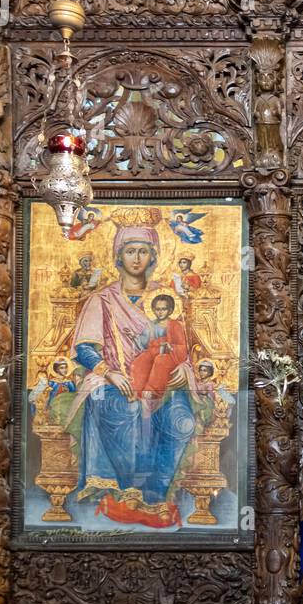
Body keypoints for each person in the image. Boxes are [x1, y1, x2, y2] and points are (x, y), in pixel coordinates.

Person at [68, 219, 198, 528]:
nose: (137, 258)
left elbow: (184, 345)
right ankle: (127, 491)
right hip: (115, 379)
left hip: (161, 380)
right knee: (122, 409)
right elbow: (85, 349)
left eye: (143, 251)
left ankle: (156, 495)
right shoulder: (102, 300)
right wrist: (110, 373)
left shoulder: (167, 300)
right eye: (130, 251)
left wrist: (183, 370)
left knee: (180, 420)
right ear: (118, 256)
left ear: (153, 256)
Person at [129, 294, 189, 412]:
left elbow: (182, 346)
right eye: (157, 309)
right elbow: (145, 343)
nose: (160, 312)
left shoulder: (175, 325)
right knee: (140, 360)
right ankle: (137, 391)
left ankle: (152, 391)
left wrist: (170, 346)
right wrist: (134, 337)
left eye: (164, 309)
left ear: (170, 310)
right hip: (153, 352)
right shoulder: (151, 324)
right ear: (153, 310)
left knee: (160, 361)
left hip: (169, 356)